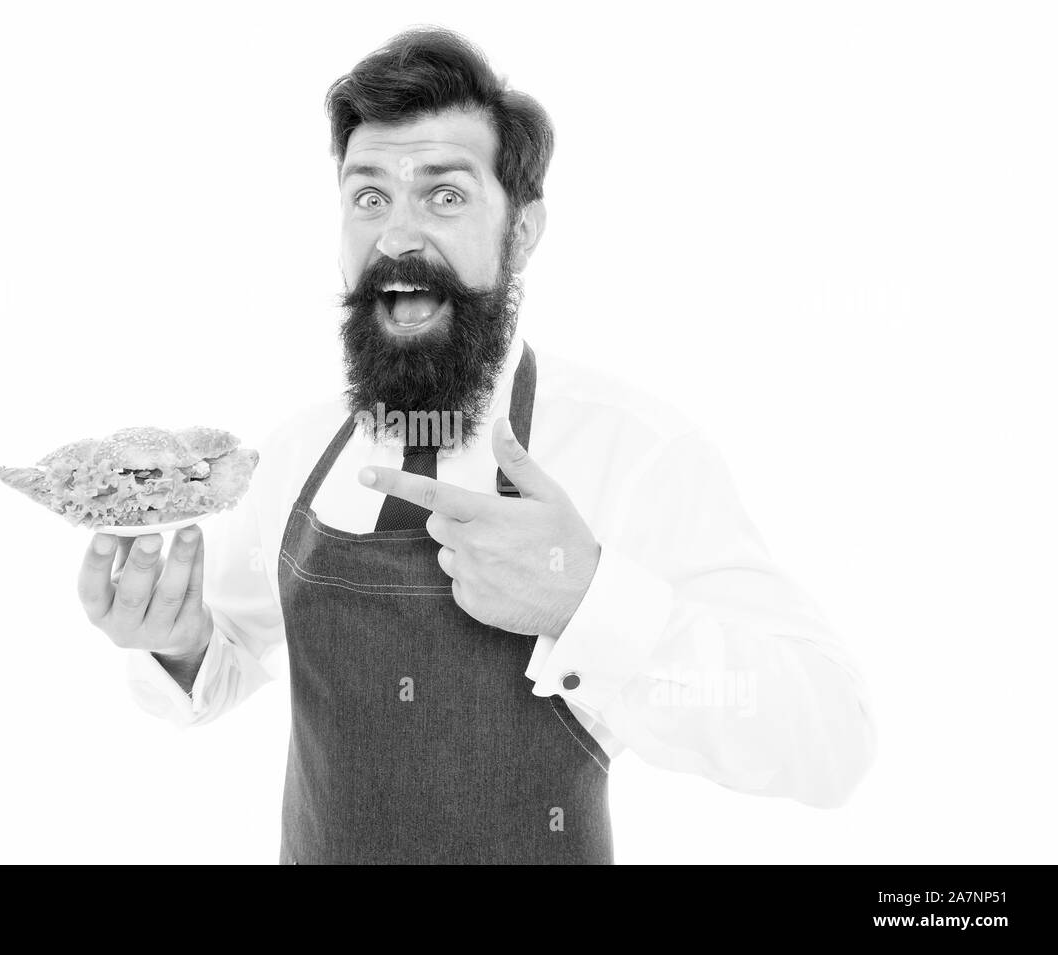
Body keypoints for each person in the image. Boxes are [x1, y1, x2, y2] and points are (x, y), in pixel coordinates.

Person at [75, 27, 876, 865]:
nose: (397, 236)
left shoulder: (628, 449)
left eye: (446, 196)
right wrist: (175, 638)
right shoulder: (299, 446)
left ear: (522, 230)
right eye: (370, 196)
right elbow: (228, 657)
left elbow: (832, 739)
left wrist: (585, 599)